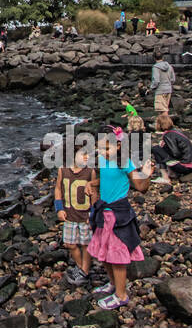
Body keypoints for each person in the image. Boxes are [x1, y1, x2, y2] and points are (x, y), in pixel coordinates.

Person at [88, 129, 152, 311]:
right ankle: (112, 283)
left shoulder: (125, 162)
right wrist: (91, 184)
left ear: (118, 146)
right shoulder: (102, 159)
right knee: (104, 253)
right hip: (103, 211)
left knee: (117, 257)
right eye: (99, 149)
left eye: (106, 149)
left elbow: (140, 187)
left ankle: (121, 295)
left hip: (118, 215)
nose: (102, 152)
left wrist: (146, 173)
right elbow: (106, 178)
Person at [54, 138, 97, 286]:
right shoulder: (63, 170)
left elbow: (94, 194)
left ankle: (84, 271)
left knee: (86, 244)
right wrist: (59, 208)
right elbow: (58, 188)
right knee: (70, 244)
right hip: (69, 214)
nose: (87, 157)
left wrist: (93, 212)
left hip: (85, 215)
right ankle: (80, 266)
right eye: (83, 154)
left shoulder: (90, 172)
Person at [149, 114, 192, 186]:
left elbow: (175, 153)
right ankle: (172, 173)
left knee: (156, 149)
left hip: (185, 166)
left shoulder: (168, 135)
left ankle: (165, 177)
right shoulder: (176, 131)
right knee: (162, 150)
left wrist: (163, 147)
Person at [150, 50, 176, 116]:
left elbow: (156, 81)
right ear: (163, 57)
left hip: (160, 90)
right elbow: (173, 79)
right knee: (165, 108)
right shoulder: (170, 66)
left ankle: (165, 125)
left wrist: (151, 88)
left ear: (154, 58)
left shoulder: (155, 67)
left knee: (161, 110)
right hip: (168, 89)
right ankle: (164, 124)